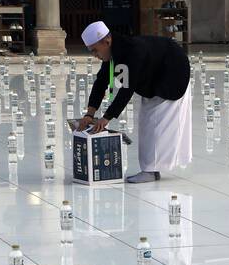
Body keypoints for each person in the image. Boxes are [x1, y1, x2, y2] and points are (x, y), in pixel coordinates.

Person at [75, 21, 192, 183]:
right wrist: (90, 113)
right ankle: (150, 169)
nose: (94, 55)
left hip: (172, 75)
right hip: (155, 79)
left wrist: (106, 118)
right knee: (147, 124)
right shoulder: (115, 52)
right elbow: (101, 81)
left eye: (95, 50)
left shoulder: (131, 52)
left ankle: (151, 171)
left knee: (158, 125)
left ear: (107, 41)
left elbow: (126, 89)